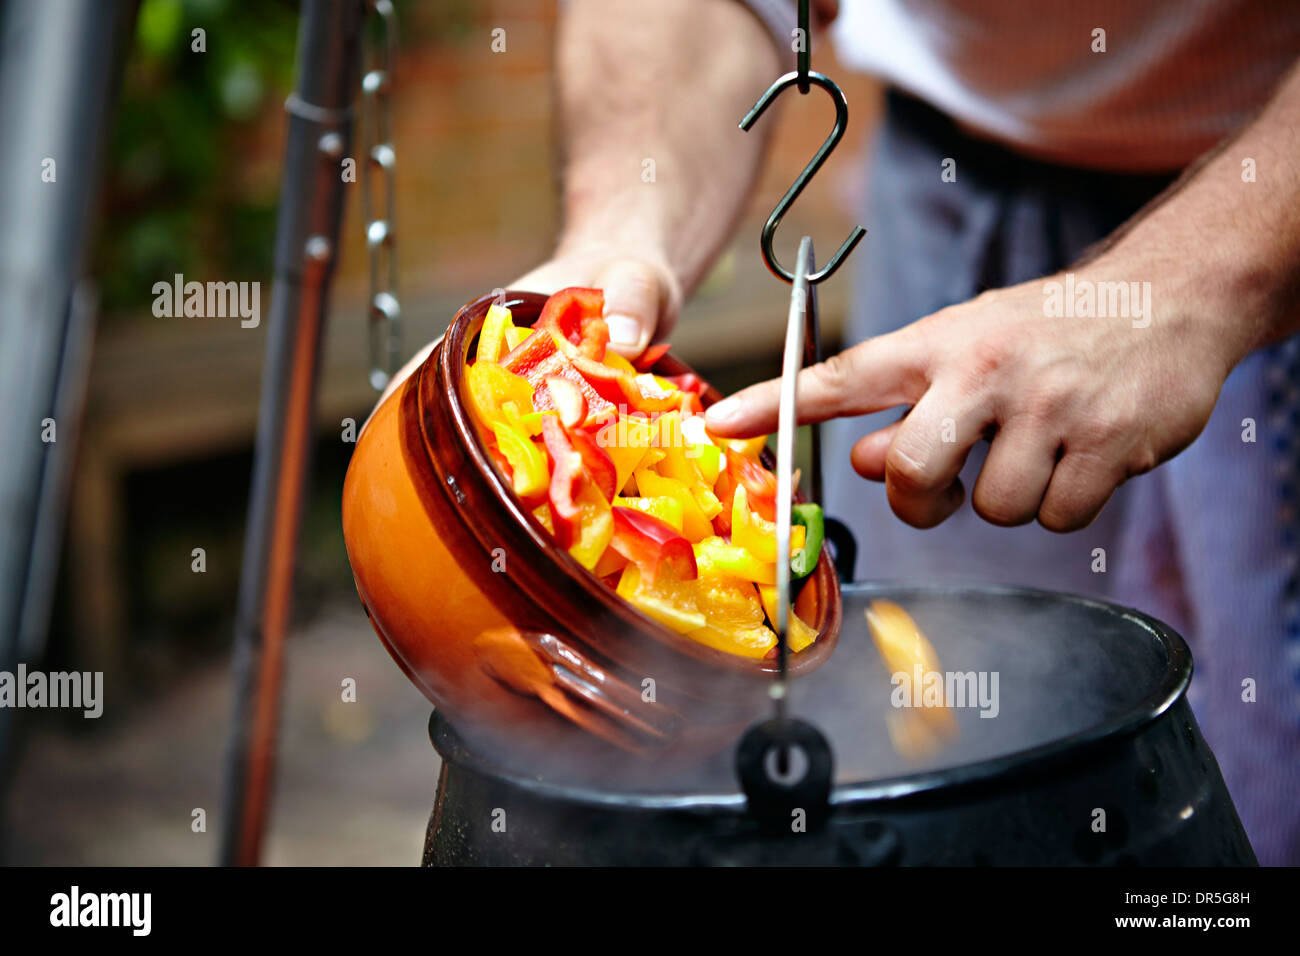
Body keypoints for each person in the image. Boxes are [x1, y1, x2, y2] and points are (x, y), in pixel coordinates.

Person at [395, 1, 1300, 862]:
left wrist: (1193, 290)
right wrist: (622, 237)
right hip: (955, 164)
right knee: (970, 689)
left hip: (1265, 199)